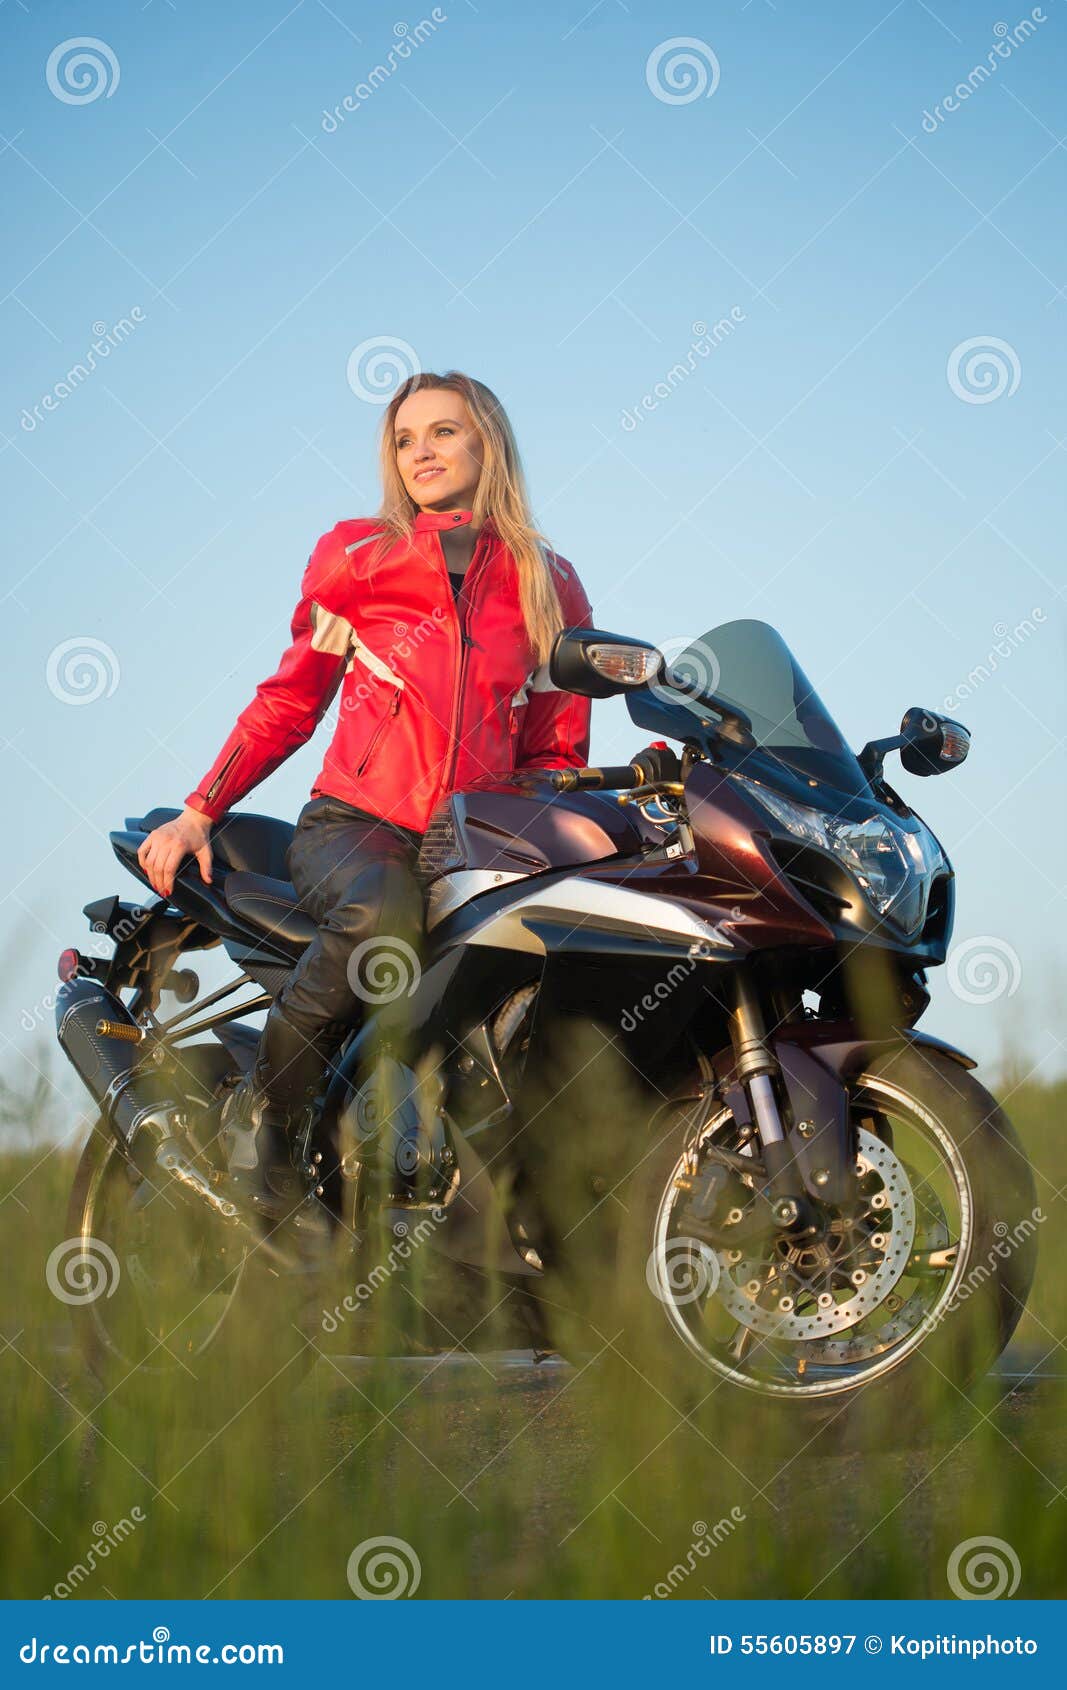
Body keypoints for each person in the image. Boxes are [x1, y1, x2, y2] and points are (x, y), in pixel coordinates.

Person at [137, 371, 594, 1215]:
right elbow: (291, 697)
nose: (420, 452)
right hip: (356, 823)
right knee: (383, 917)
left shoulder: (546, 580)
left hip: (476, 843)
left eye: (443, 432)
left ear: (487, 442)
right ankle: (270, 1124)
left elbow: (556, 749)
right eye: (404, 438)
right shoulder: (357, 556)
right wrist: (202, 806)